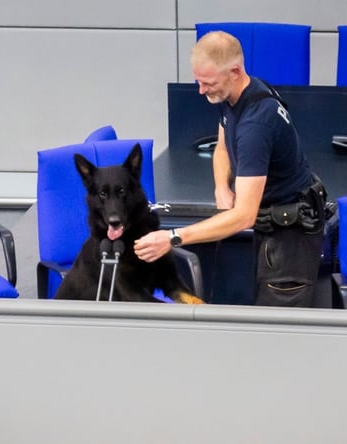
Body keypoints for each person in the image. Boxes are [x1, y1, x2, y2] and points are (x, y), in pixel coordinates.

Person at [133, 30, 328, 307]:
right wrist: (221, 187)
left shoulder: (256, 125)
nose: (201, 91)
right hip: (269, 223)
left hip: (290, 238)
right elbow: (222, 148)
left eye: (208, 83)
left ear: (235, 71)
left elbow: (244, 216)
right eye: (199, 82)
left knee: (276, 326)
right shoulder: (234, 97)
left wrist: (173, 237)